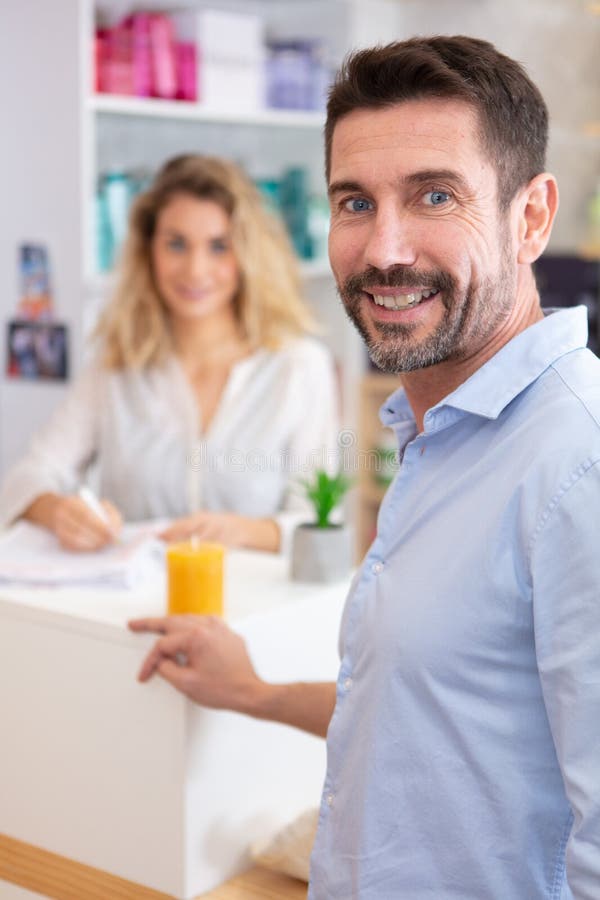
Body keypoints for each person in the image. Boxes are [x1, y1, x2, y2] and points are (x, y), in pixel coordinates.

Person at [130, 37, 600, 898]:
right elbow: (432, 717)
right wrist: (257, 692)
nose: (385, 250)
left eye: (434, 195)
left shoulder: (578, 465)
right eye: (355, 202)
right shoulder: (444, 433)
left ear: (531, 218)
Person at [0, 155, 339, 553]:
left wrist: (243, 532)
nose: (195, 270)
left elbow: (320, 521)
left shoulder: (298, 367)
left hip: (251, 607)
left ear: (246, 256)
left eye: (218, 247)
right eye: (176, 244)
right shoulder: (116, 367)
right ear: (149, 251)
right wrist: (59, 512)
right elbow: (29, 476)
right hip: (133, 605)